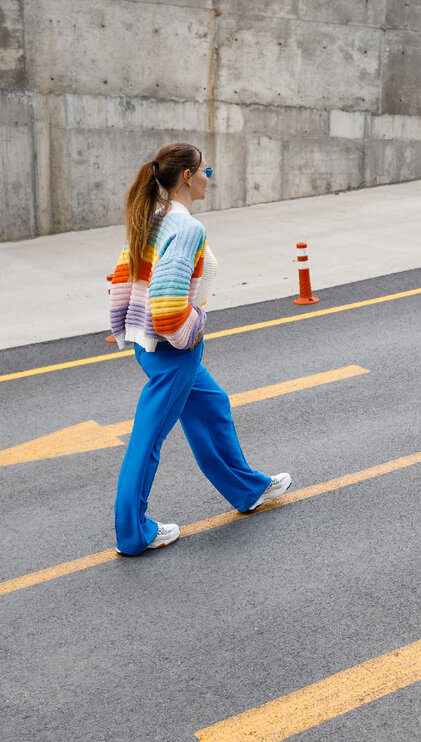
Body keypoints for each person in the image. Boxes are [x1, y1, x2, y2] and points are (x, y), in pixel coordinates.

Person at [108, 142, 291, 556]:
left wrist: (126, 329)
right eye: (206, 171)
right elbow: (170, 301)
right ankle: (133, 532)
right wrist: (191, 332)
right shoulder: (187, 228)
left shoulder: (153, 219)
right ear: (187, 177)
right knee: (148, 439)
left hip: (151, 343)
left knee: (212, 406)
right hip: (173, 348)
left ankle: (247, 490)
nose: (210, 178)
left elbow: (123, 278)